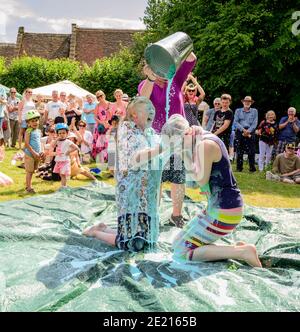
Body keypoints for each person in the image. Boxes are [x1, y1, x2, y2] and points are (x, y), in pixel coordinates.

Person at [162, 114, 262, 268]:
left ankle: (242, 252)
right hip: (218, 208)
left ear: (187, 133)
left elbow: (200, 180)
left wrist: (183, 155)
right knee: (176, 243)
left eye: (180, 143)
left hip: (225, 212)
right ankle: (237, 249)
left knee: (182, 253)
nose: (180, 147)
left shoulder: (205, 145)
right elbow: (199, 181)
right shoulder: (201, 137)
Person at [83, 97, 162, 252]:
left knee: (143, 239)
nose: (152, 110)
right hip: (130, 195)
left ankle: (105, 228)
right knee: (130, 244)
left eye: (152, 107)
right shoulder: (128, 132)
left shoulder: (150, 132)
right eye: (147, 108)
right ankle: (96, 232)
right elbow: (136, 158)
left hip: (144, 195)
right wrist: (163, 148)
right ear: (134, 115)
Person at [138, 51, 197, 228]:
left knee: (178, 177)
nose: (161, 71)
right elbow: (143, 100)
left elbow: (191, 58)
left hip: (178, 140)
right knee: (155, 178)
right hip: (156, 140)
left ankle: (176, 216)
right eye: (157, 67)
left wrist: (170, 48)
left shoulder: (176, 79)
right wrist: (150, 79)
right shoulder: (145, 84)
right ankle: (152, 215)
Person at [233, 96, 258, 172]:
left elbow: (255, 123)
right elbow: (235, 122)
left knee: (251, 150)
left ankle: (252, 168)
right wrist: (243, 130)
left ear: (251, 103)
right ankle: (239, 168)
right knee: (239, 150)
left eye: (249, 101)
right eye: (246, 101)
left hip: (250, 131)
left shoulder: (254, 111)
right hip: (240, 131)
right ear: (243, 102)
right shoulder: (238, 111)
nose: (247, 102)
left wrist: (248, 131)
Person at [52, 123, 79, 188]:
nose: (61, 135)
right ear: (57, 134)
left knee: (63, 174)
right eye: (60, 133)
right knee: (61, 174)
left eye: (63, 133)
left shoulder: (68, 141)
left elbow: (76, 147)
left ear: (67, 133)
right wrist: (56, 139)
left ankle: (64, 186)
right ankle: (64, 185)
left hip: (65, 160)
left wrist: (69, 151)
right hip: (59, 160)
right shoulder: (58, 141)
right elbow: (53, 145)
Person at [24, 111, 44, 193]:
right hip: (30, 154)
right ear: (28, 123)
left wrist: (42, 151)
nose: (35, 122)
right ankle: (28, 188)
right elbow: (26, 143)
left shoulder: (39, 131)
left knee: (33, 170)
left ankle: (29, 185)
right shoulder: (28, 131)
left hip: (37, 154)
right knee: (29, 171)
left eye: (36, 120)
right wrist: (33, 153)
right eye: (32, 121)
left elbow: (40, 142)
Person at [92, 91, 112, 163]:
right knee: (101, 142)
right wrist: (101, 122)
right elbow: (95, 117)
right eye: (98, 97)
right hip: (100, 126)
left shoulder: (110, 104)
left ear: (104, 95)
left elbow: (113, 115)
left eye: (101, 95)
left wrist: (108, 122)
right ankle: (102, 158)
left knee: (109, 142)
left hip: (109, 125)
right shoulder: (97, 106)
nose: (100, 98)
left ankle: (109, 157)